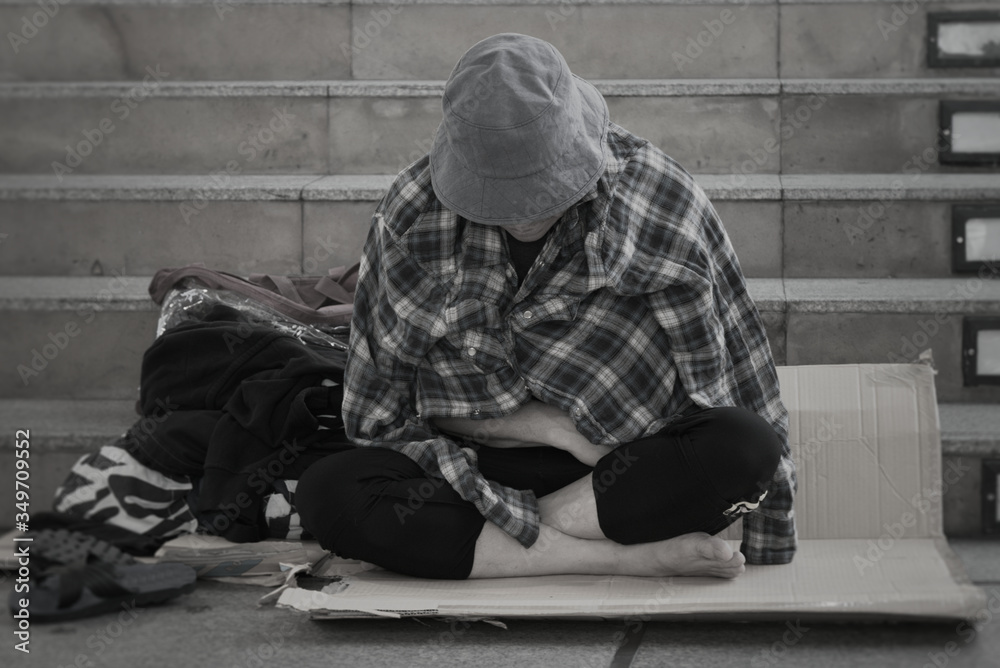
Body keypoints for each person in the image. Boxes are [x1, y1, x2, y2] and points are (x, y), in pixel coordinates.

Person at [296, 33, 796, 580]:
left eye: (542, 190)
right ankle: (626, 560)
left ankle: (505, 545)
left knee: (744, 448)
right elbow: (382, 413)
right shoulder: (410, 212)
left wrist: (770, 522)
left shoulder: (656, 192)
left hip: (621, 468)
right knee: (329, 493)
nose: (523, 214)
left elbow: (741, 376)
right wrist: (555, 429)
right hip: (470, 461)